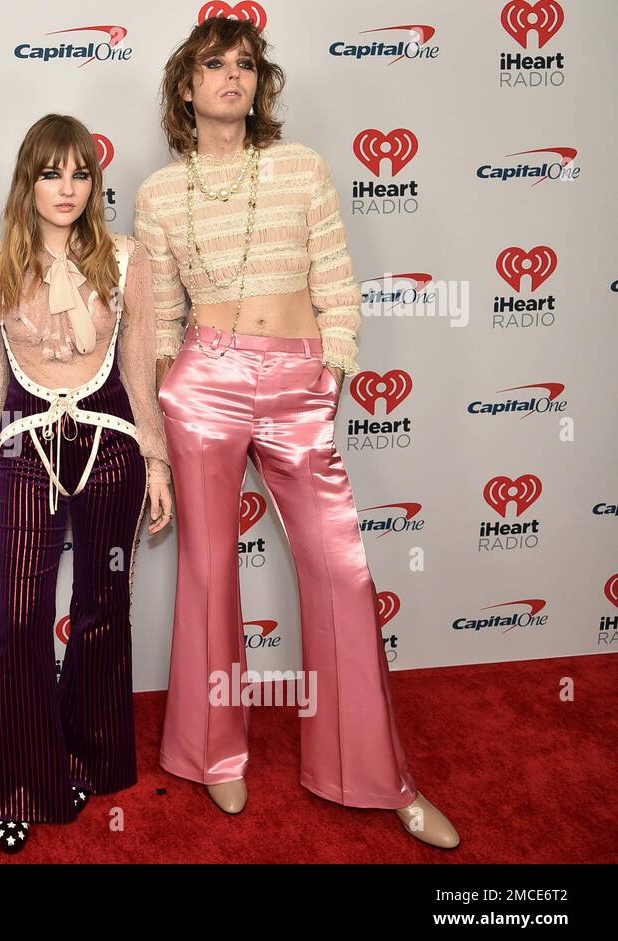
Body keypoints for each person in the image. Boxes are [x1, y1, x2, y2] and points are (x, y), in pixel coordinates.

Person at [134, 17, 458, 848]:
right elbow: (159, 316)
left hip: (296, 379)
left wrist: (332, 366)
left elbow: (337, 278)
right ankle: (214, 754)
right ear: (187, 86)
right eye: (215, 65)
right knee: (209, 575)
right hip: (202, 383)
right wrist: (165, 409)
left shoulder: (301, 167)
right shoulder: (159, 192)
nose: (231, 77)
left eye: (245, 64)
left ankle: (377, 775)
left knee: (342, 570)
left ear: (259, 83)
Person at [0, 115, 173, 854]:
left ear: (94, 181)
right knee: (21, 614)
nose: (67, 187)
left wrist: (157, 463)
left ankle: (88, 757)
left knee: (102, 605)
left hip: (112, 448)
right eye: (52, 172)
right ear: (29, 179)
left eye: (80, 172)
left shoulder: (126, 259)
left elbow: (142, 371)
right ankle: (20, 780)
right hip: (25, 450)